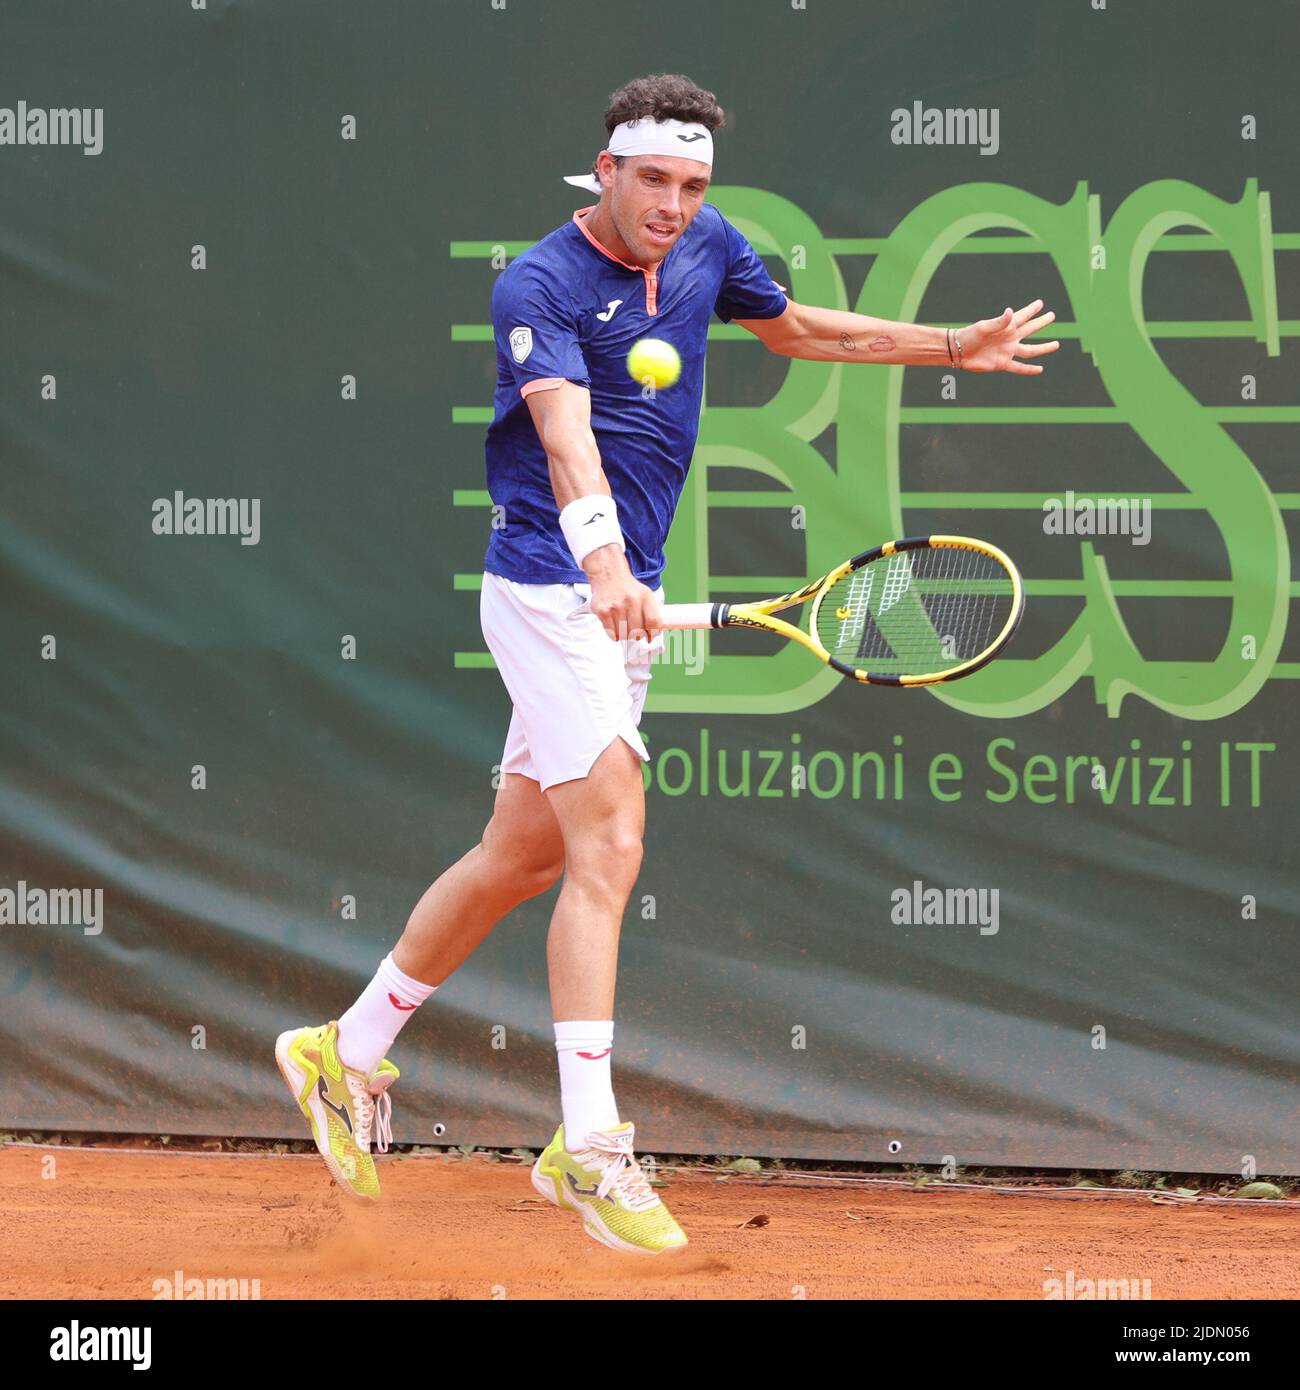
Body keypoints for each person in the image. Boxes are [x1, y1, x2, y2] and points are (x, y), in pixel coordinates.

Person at [276, 72, 1058, 1255]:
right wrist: (600, 563)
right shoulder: (536, 284)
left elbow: (797, 329)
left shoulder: (706, 248)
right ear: (606, 169)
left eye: (694, 185)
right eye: (655, 180)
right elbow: (563, 432)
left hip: (617, 596)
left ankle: (346, 1048)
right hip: (548, 590)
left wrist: (953, 343)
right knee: (614, 841)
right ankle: (587, 1145)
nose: (675, 205)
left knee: (517, 857)